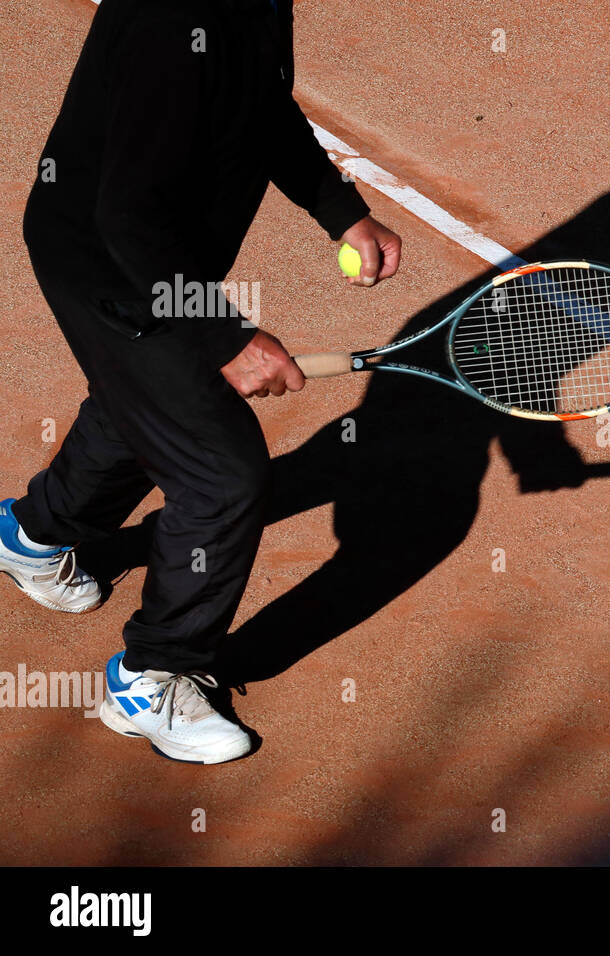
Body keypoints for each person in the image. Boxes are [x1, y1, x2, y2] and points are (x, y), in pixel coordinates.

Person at [0, 0, 401, 763]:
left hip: (151, 256)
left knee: (139, 409)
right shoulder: (174, 23)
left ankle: (36, 535)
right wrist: (228, 338)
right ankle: (153, 677)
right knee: (222, 475)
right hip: (115, 268)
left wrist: (341, 212)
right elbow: (126, 215)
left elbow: (257, 100)